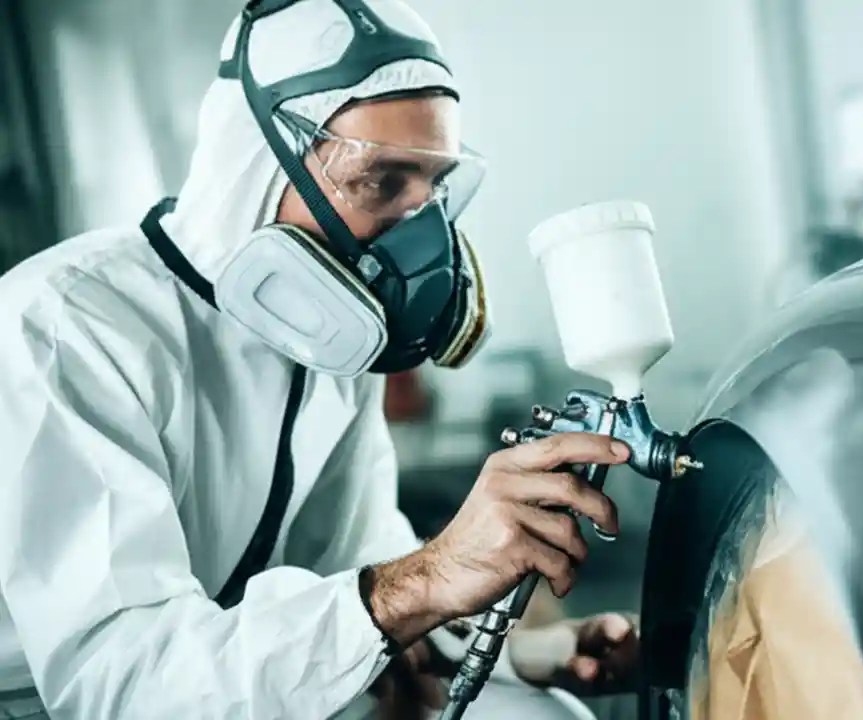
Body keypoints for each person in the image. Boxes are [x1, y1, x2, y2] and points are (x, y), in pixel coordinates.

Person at [0, 1, 639, 718]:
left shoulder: (328, 337)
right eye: (380, 182)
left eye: (432, 191)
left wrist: (524, 652)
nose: (417, 236)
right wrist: (428, 577)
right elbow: (120, 684)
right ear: (253, 165)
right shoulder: (65, 328)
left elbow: (361, 566)